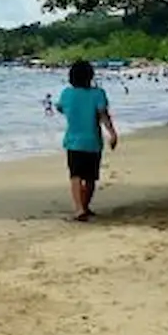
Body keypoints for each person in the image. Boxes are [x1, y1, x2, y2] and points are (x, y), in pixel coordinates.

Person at [56, 59, 119, 222]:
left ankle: (79, 208)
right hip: (93, 142)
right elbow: (104, 116)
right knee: (90, 177)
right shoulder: (98, 94)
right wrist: (112, 134)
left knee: (75, 176)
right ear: (90, 76)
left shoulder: (66, 93)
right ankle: (85, 206)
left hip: (73, 142)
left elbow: (60, 107)